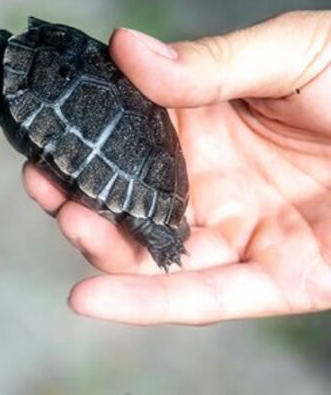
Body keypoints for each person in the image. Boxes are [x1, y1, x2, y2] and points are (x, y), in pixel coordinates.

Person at [23, 11, 331, 326]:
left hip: (131, 160)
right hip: (132, 157)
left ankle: (164, 235)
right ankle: (162, 228)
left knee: (138, 221)